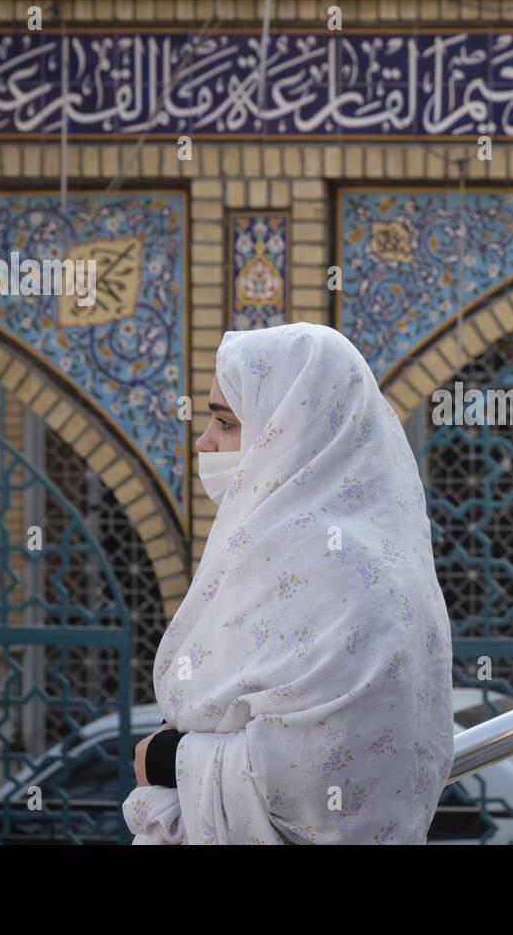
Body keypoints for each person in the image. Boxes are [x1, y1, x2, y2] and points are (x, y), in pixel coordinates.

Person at [122, 323, 455, 844]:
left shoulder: (333, 566)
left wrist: (173, 759)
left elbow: (325, 772)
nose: (205, 441)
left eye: (227, 423)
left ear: (291, 433)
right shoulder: (306, 550)